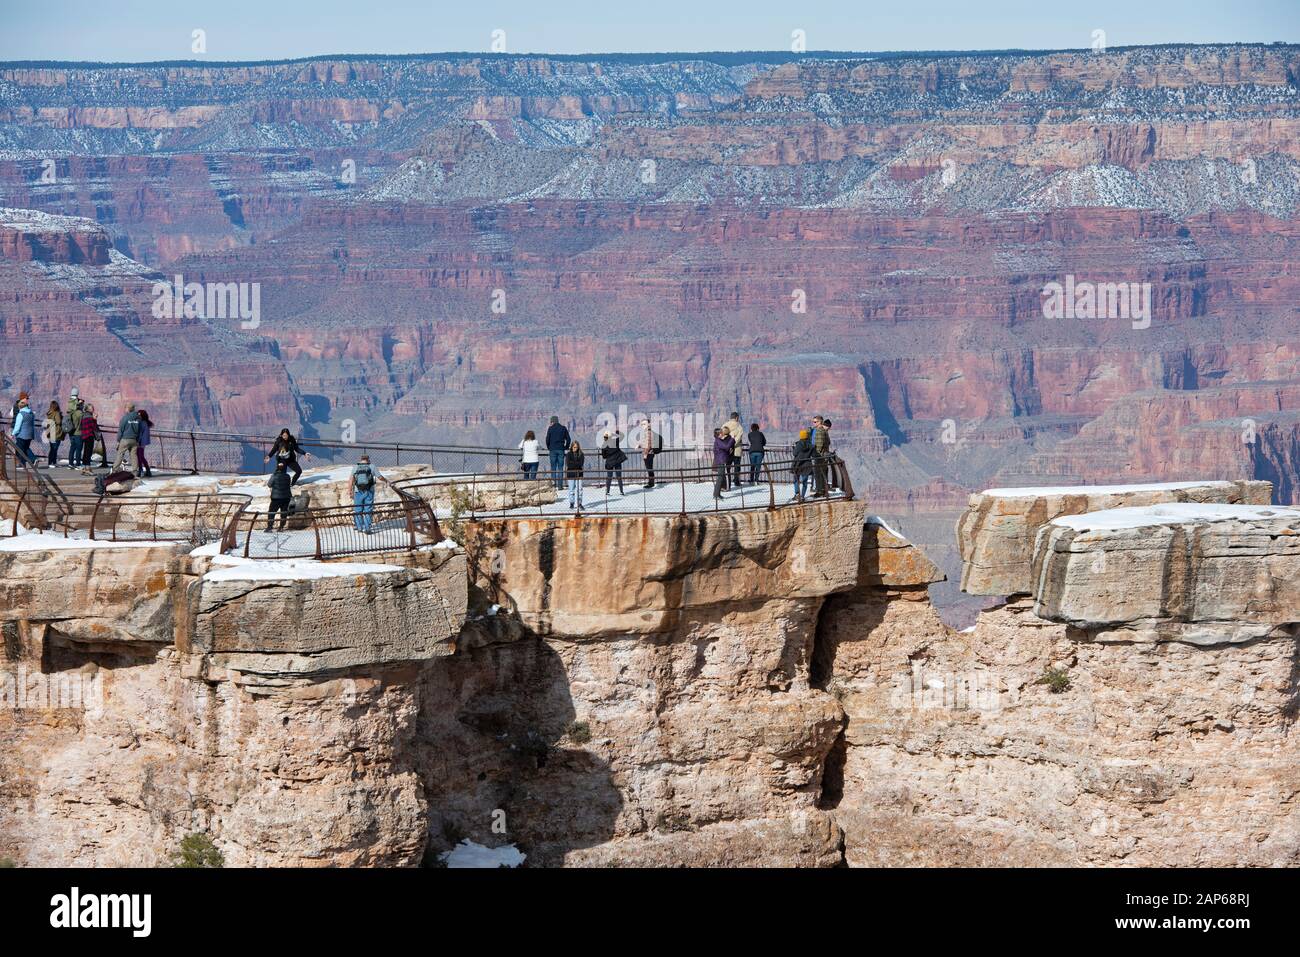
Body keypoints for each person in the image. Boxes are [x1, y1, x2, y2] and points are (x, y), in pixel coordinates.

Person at [349, 454, 381, 533]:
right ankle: (367, 528)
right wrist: (387, 481)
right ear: (368, 459)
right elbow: (379, 477)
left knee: (358, 509)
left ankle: (359, 527)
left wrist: (350, 490)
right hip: (369, 491)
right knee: (368, 509)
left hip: (358, 491)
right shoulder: (372, 466)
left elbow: (351, 480)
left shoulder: (355, 467)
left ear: (361, 459)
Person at [112, 403, 141, 475]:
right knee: (134, 456)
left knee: (120, 454)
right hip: (134, 440)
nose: (124, 410)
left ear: (128, 409)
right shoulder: (138, 418)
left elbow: (120, 430)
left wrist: (118, 440)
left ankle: (114, 471)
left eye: (125, 408)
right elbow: (140, 430)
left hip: (125, 439)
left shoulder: (125, 418)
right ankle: (135, 472)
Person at [265, 461, 293, 532]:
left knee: (272, 512)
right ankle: (281, 527)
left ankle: (270, 527)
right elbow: (288, 484)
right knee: (283, 512)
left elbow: (269, 485)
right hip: (286, 497)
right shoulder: (287, 476)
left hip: (276, 498)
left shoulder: (274, 476)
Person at [545, 415, 571, 490]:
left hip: (552, 450)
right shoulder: (563, 428)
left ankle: (553, 485)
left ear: (552, 421)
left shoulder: (550, 428)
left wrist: (549, 447)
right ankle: (560, 486)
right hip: (561, 450)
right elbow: (568, 439)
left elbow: (547, 439)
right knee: (560, 468)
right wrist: (566, 447)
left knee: (553, 468)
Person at [10, 395, 36, 465]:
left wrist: (13, 434)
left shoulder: (21, 414)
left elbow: (17, 426)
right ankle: (32, 459)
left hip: (22, 435)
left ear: (20, 407)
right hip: (30, 434)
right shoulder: (31, 413)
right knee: (26, 448)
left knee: (20, 449)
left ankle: (23, 463)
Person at [810, 414, 831, 498]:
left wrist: (816, 454)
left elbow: (819, 444)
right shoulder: (824, 431)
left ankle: (819, 491)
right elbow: (827, 442)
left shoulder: (819, 431)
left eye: (815, 422)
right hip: (824, 455)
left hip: (820, 456)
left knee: (817, 473)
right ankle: (824, 490)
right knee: (823, 473)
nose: (814, 423)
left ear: (820, 422)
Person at [600, 430, 626, 495]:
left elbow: (604, 456)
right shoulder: (615, 441)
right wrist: (615, 433)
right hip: (617, 461)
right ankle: (621, 491)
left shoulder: (604, 445)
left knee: (609, 477)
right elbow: (622, 435)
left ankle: (607, 491)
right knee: (619, 477)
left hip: (610, 462)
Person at [712, 427, 734, 500]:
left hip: (721, 460)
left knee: (720, 478)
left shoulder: (718, 440)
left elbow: (724, 449)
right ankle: (716, 495)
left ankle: (718, 494)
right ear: (718, 434)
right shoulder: (718, 441)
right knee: (720, 478)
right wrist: (732, 439)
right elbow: (727, 447)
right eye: (721, 432)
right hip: (721, 461)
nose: (722, 433)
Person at [792, 429, 814, 502]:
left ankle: (797, 494)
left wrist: (794, 449)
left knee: (796, 480)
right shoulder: (810, 445)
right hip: (807, 465)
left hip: (798, 464)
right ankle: (802, 496)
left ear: (801, 436)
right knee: (805, 481)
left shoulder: (799, 444)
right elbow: (813, 454)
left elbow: (794, 453)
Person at [639, 417, 661, 489]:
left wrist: (645, 453)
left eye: (644, 424)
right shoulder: (647, 432)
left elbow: (649, 444)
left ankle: (651, 483)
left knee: (649, 468)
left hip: (649, 453)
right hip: (649, 453)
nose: (642, 425)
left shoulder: (648, 432)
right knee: (649, 468)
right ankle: (651, 482)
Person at [78, 403, 101, 471]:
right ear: (88, 409)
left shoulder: (84, 415)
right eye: (92, 408)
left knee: (86, 450)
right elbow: (93, 426)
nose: (93, 409)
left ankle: (85, 466)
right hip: (89, 435)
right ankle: (87, 467)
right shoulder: (89, 417)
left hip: (84, 435)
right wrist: (95, 419)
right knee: (89, 451)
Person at [725, 411, 744, 487]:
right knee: (737, 466)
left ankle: (727, 482)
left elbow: (722, 435)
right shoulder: (739, 427)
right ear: (736, 418)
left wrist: (727, 445)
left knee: (727, 467)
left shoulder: (725, 425)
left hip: (727, 450)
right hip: (736, 450)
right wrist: (732, 445)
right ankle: (736, 481)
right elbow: (738, 438)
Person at [66, 389, 84, 468]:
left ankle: (70, 463)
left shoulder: (70, 410)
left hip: (71, 432)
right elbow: (81, 424)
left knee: (72, 447)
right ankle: (78, 464)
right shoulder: (79, 413)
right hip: (78, 433)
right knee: (78, 449)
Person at [565, 441, 585, 510]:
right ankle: (572, 503)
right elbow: (568, 464)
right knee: (571, 490)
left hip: (579, 474)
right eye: (574, 447)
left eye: (576, 447)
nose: (575, 448)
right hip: (571, 474)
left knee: (580, 489)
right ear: (571, 447)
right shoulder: (568, 454)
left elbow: (581, 464)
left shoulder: (581, 454)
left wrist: (573, 463)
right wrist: (576, 464)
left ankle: (579, 503)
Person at [43, 400, 64, 467]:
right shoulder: (56, 413)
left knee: (52, 448)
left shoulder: (49, 413)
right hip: (56, 432)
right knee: (54, 448)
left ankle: (52, 462)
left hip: (50, 432)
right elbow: (58, 421)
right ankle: (52, 463)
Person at [136, 410, 154, 478]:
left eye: (139, 415)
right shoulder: (145, 422)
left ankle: (141, 470)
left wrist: (138, 441)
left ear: (142, 416)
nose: (138, 416)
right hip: (143, 442)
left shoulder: (142, 423)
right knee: (141, 456)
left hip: (140, 442)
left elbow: (140, 434)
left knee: (139, 456)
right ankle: (147, 470)